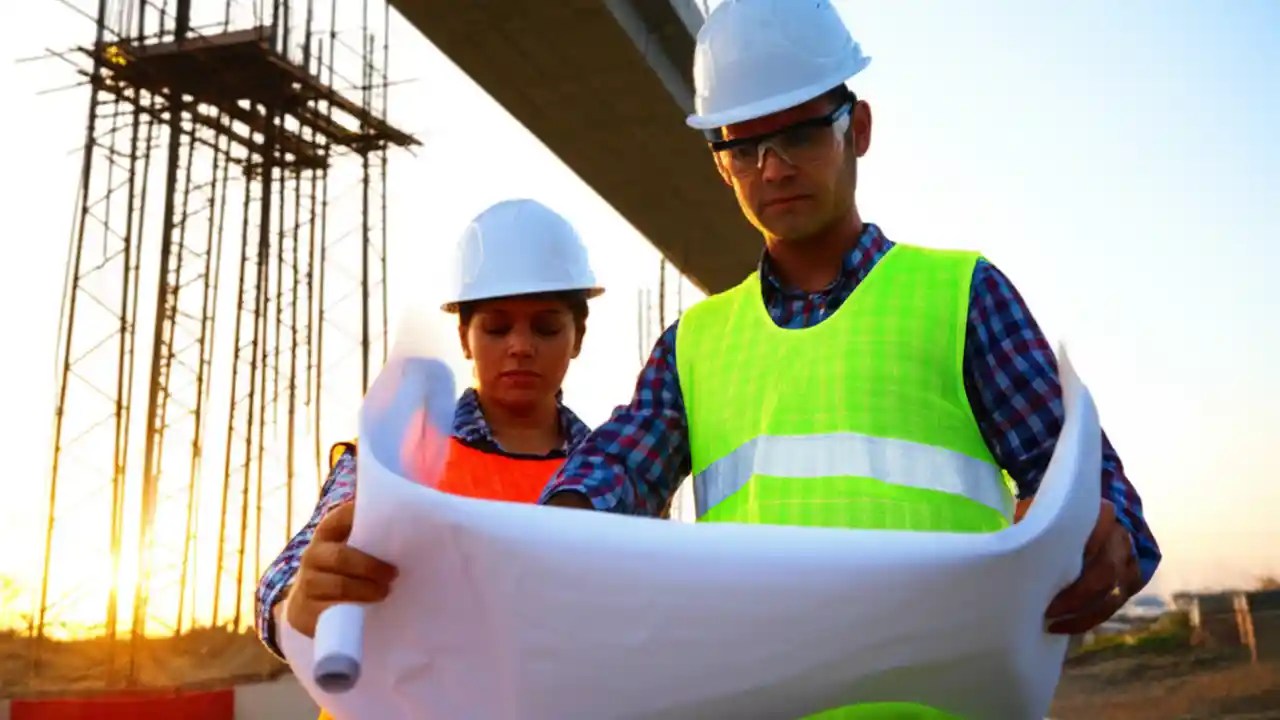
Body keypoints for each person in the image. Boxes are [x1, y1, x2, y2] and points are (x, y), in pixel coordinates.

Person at [539, 1, 1161, 716]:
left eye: (801, 134)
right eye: (745, 148)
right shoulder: (694, 345)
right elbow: (616, 469)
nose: (773, 170)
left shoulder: (960, 296)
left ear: (856, 129)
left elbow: (1096, 496)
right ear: (721, 168)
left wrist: (1098, 534)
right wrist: (552, 522)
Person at [252, 198, 604, 667]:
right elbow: (282, 581)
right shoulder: (389, 455)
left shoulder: (611, 474)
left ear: (577, 337)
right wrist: (297, 601)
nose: (521, 347)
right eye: (497, 329)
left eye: (545, 327)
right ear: (464, 338)